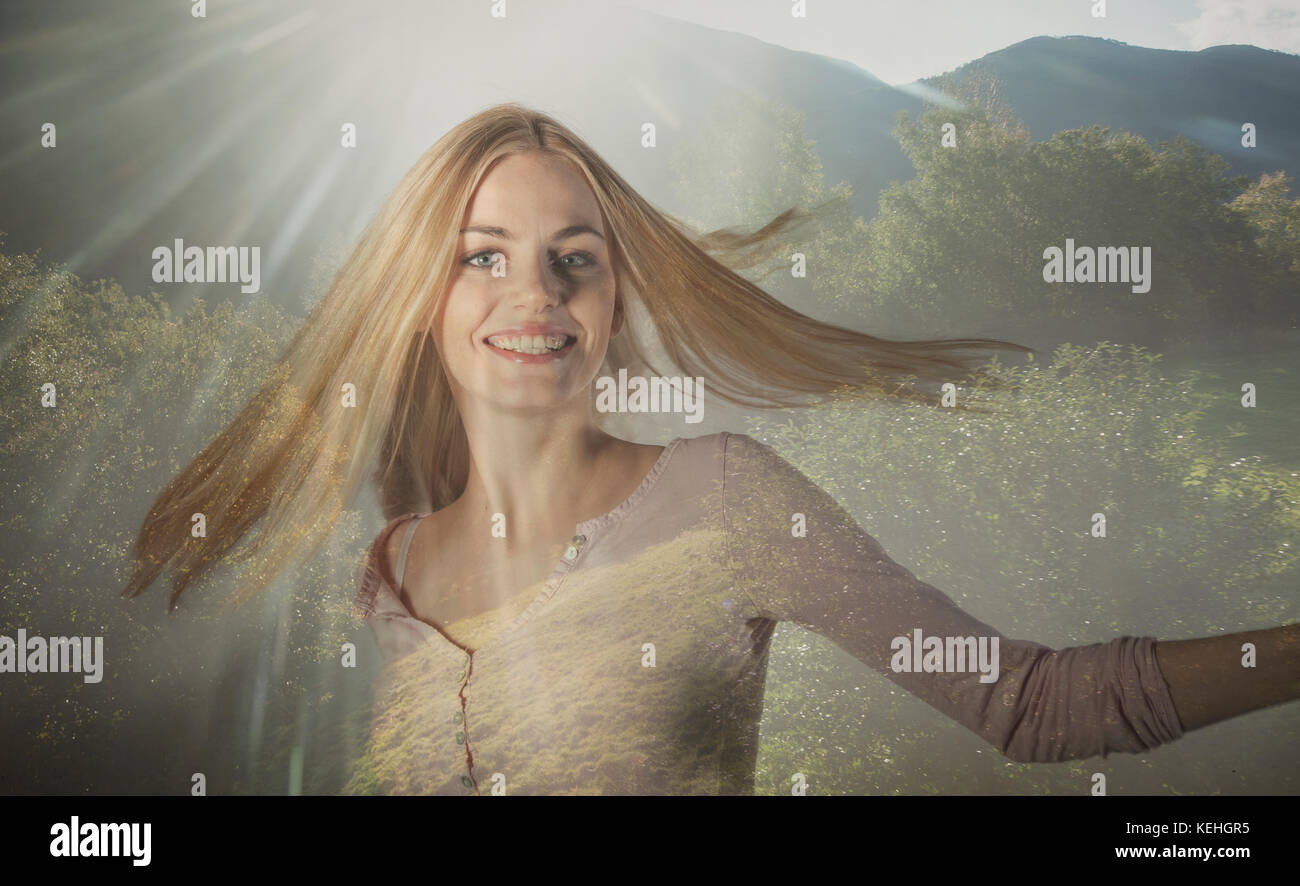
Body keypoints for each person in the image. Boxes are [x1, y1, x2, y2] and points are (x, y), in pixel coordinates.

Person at [126, 103, 1300, 795]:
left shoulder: (726, 498)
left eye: (573, 255)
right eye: (482, 254)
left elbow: (1031, 705)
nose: (534, 292)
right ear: (418, 298)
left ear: (616, 295)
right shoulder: (378, 582)